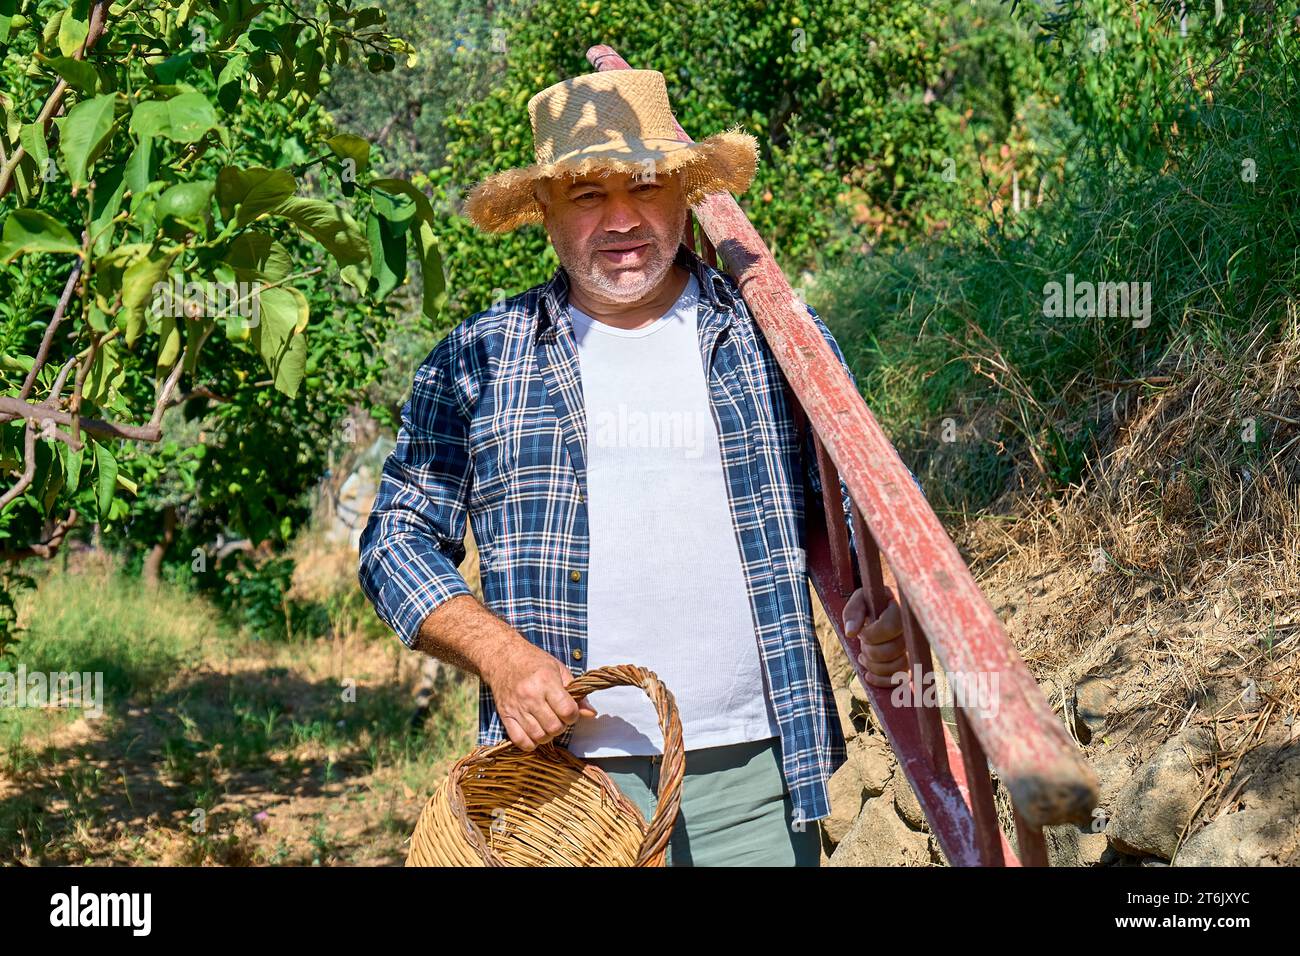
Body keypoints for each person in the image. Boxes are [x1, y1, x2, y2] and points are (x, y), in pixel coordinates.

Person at [359, 68, 909, 866]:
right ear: (543, 210)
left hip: (752, 781)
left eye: (646, 185)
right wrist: (503, 659)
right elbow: (394, 542)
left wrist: (879, 600)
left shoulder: (773, 338)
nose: (622, 219)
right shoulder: (478, 361)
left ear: (684, 191)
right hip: (556, 793)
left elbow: (862, 497)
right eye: (586, 195)